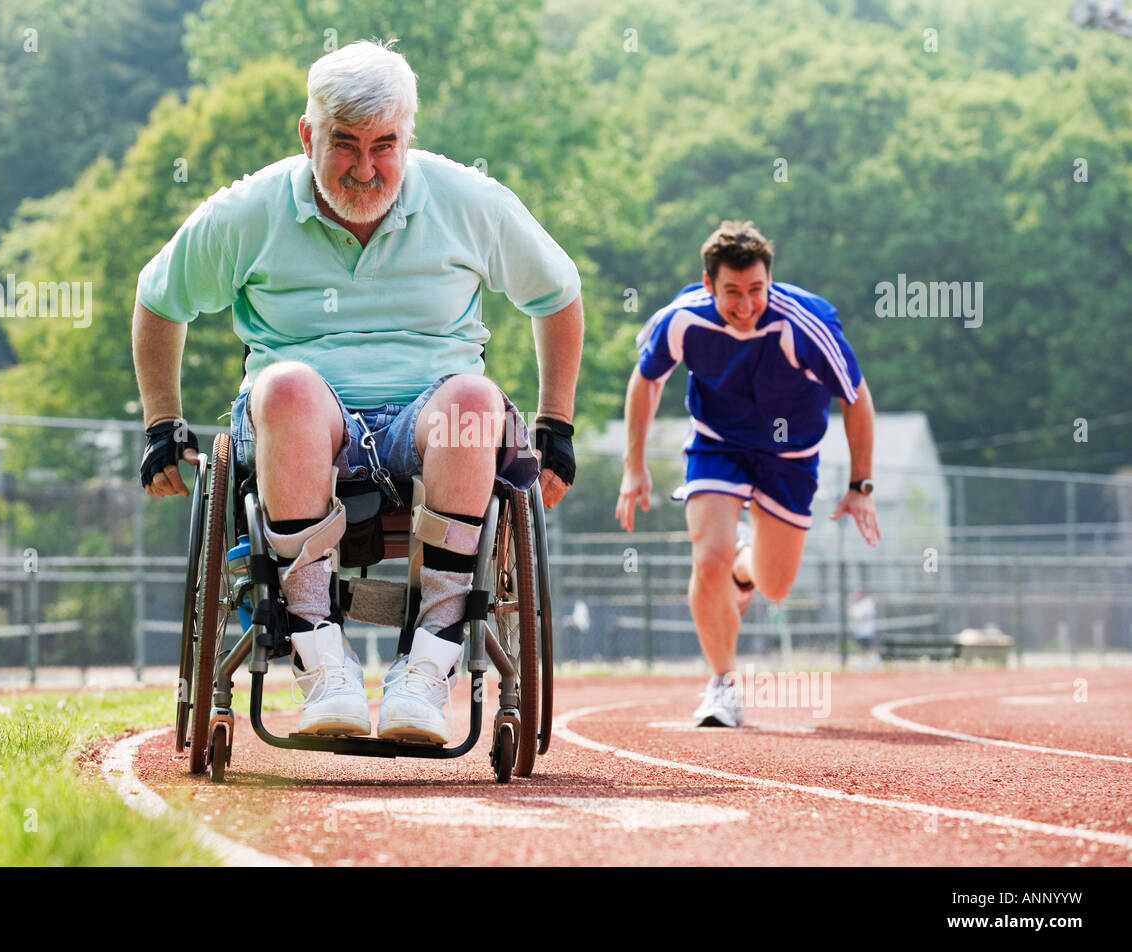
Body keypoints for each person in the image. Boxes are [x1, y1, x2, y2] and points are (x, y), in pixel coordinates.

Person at [132, 41, 582, 744]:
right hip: (301, 418)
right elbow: (158, 299)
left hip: (431, 408)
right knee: (286, 388)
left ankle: (429, 667)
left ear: (410, 136)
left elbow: (559, 295)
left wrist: (557, 423)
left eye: (385, 146)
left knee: (475, 400)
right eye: (344, 145)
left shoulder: (466, 200)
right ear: (308, 134)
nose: (365, 168)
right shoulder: (249, 211)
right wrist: (163, 423)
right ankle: (320, 661)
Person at [616, 220, 879, 727]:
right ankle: (723, 686)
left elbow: (855, 397)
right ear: (708, 282)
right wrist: (634, 466)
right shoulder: (682, 319)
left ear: (769, 283)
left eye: (756, 290)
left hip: (790, 457)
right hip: (719, 445)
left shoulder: (805, 325)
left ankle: (745, 565)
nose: (745, 304)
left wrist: (860, 486)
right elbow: (646, 380)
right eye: (732, 291)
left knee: (775, 586)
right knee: (707, 560)